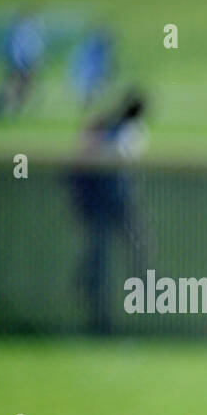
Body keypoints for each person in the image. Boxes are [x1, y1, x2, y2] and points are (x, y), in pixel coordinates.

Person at [65, 88, 151, 335]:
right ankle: (95, 311)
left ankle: (145, 299)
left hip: (121, 204)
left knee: (135, 251)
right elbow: (84, 154)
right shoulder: (106, 125)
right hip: (102, 204)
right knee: (97, 259)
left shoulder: (128, 130)